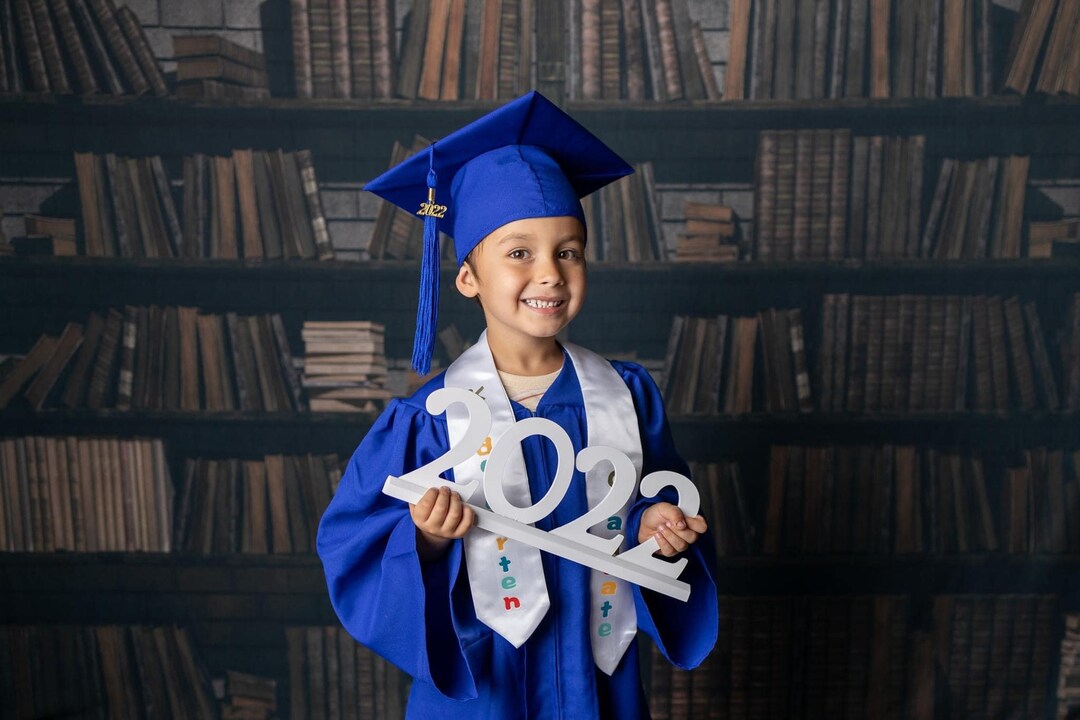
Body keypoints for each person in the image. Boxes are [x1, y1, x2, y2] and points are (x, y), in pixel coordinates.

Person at [317, 91, 718, 720]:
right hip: (487, 682)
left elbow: (651, 500)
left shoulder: (626, 394)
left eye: (568, 251)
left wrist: (653, 530)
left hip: (596, 675)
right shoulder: (428, 418)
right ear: (468, 278)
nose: (551, 273)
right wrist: (423, 538)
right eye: (518, 252)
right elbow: (356, 544)